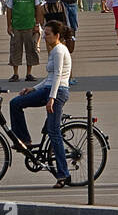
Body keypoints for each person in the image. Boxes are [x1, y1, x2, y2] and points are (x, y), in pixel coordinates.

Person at [8, 21, 72, 188]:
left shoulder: (59, 50)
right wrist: (32, 88)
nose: (45, 36)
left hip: (57, 92)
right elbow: (49, 78)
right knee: (16, 103)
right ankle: (24, 140)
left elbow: (58, 76)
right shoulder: (55, 50)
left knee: (54, 132)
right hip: (50, 89)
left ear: (57, 35)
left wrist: (51, 98)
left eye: (48, 33)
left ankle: (63, 174)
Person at [7, 0, 44, 83]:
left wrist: (37, 24)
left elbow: (38, 8)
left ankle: (29, 73)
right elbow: (9, 9)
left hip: (30, 26)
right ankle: (15, 73)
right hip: (17, 26)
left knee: (30, 49)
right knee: (15, 50)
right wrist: (9, 25)